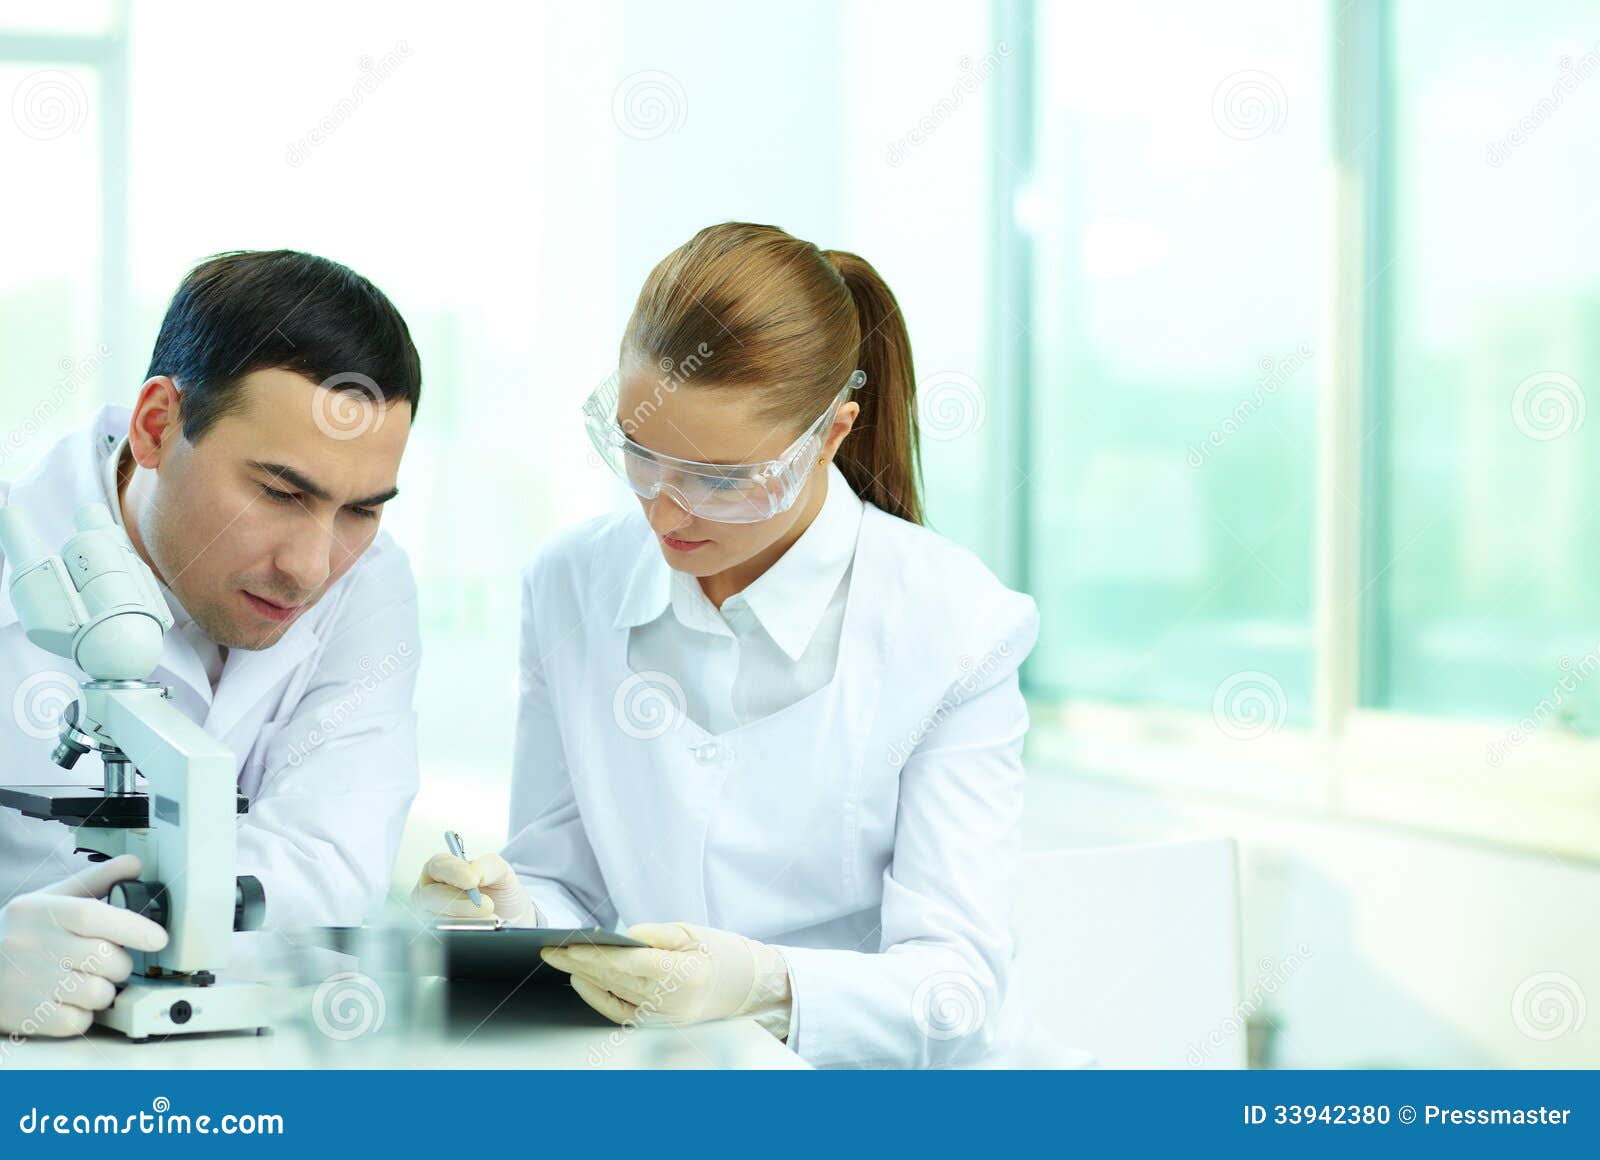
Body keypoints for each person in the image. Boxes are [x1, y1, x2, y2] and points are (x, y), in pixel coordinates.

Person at [416, 222, 1035, 1068]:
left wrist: (762, 984)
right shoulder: (570, 584)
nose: (667, 514)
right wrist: (506, 914)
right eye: (642, 456)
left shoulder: (957, 626)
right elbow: (569, 888)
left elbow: (954, 995)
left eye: (720, 479)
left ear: (831, 434)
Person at [0, 250, 423, 1038]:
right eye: (280, 493)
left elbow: (331, 860)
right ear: (158, 426)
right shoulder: (18, 546)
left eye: (360, 510)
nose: (309, 568)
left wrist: (140, 937)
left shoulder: (370, 583)